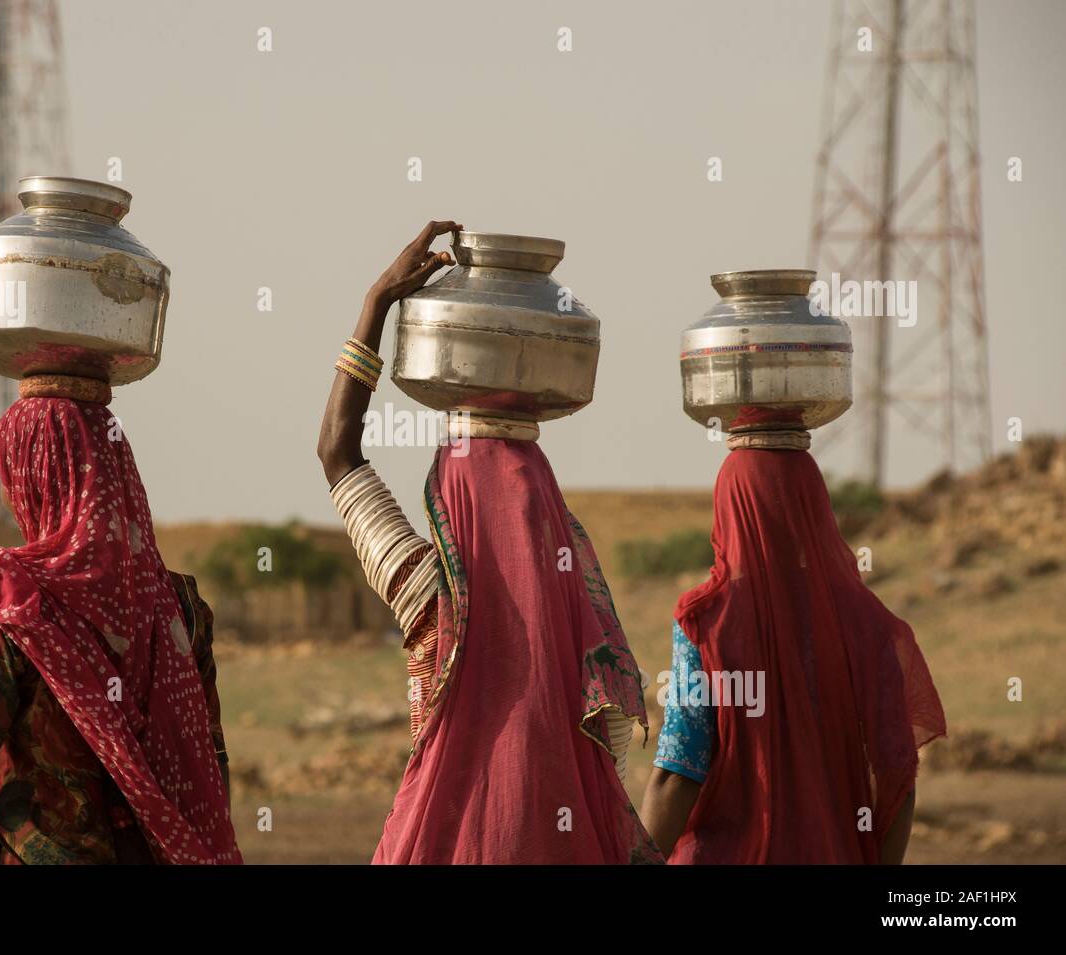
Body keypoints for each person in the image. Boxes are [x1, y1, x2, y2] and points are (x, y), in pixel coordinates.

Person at [317, 221, 662, 864]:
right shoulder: (581, 618)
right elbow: (612, 742)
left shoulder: (427, 592)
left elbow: (338, 455)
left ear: (448, 500)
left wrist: (377, 302)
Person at [0, 388, 239, 864]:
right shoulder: (178, 608)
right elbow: (210, 766)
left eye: (8, 472)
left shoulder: (16, 605)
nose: (6, 489)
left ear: (38, 478)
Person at [639, 439, 946, 863]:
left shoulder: (707, 622)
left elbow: (681, 771)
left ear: (731, 512)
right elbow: (897, 773)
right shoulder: (866, 623)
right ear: (814, 509)